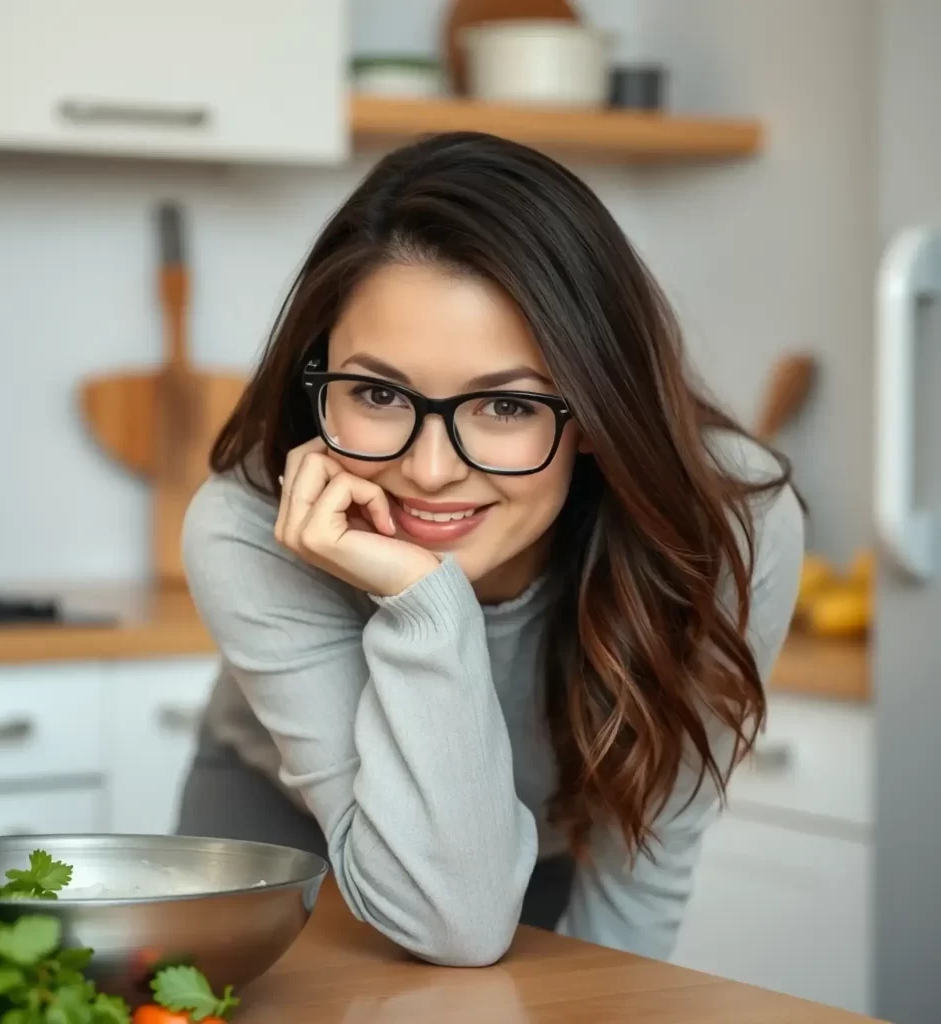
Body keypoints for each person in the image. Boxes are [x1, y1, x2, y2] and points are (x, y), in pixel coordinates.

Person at [177, 131, 804, 967]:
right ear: (317, 371)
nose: (428, 470)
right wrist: (426, 602)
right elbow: (452, 922)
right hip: (277, 841)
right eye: (374, 391)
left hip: (527, 860)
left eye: (506, 408)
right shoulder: (251, 527)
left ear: (596, 407)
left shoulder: (730, 522)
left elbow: (645, 866)